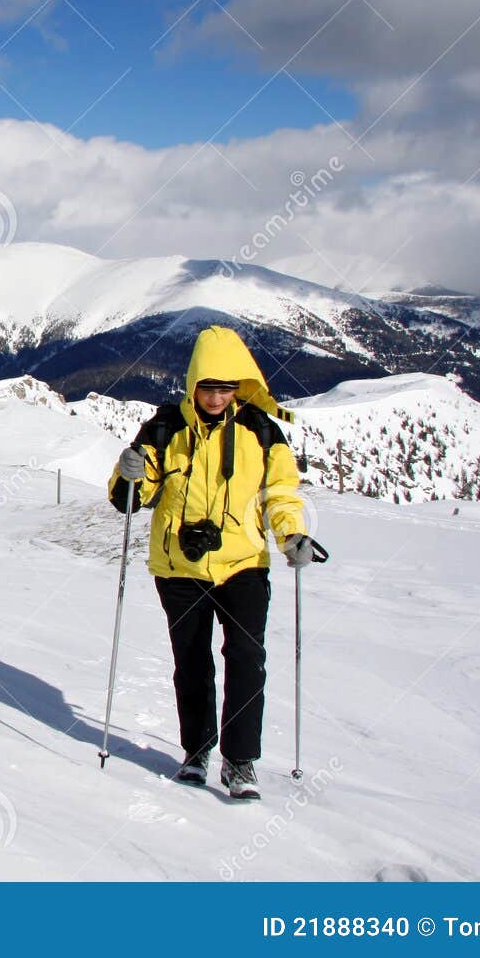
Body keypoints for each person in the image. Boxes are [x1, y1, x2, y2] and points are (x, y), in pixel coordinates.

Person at [107, 325, 318, 801]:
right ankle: (197, 750)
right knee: (192, 662)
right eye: (209, 387)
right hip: (179, 567)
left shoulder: (261, 430)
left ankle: (239, 760)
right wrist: (128, 471)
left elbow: (280, 491)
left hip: (243, 562)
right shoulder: (166, 428)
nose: (217, 397)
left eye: (226, 388)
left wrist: (291, 535)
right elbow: (130, 499)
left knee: (247, 659)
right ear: (193, 384)